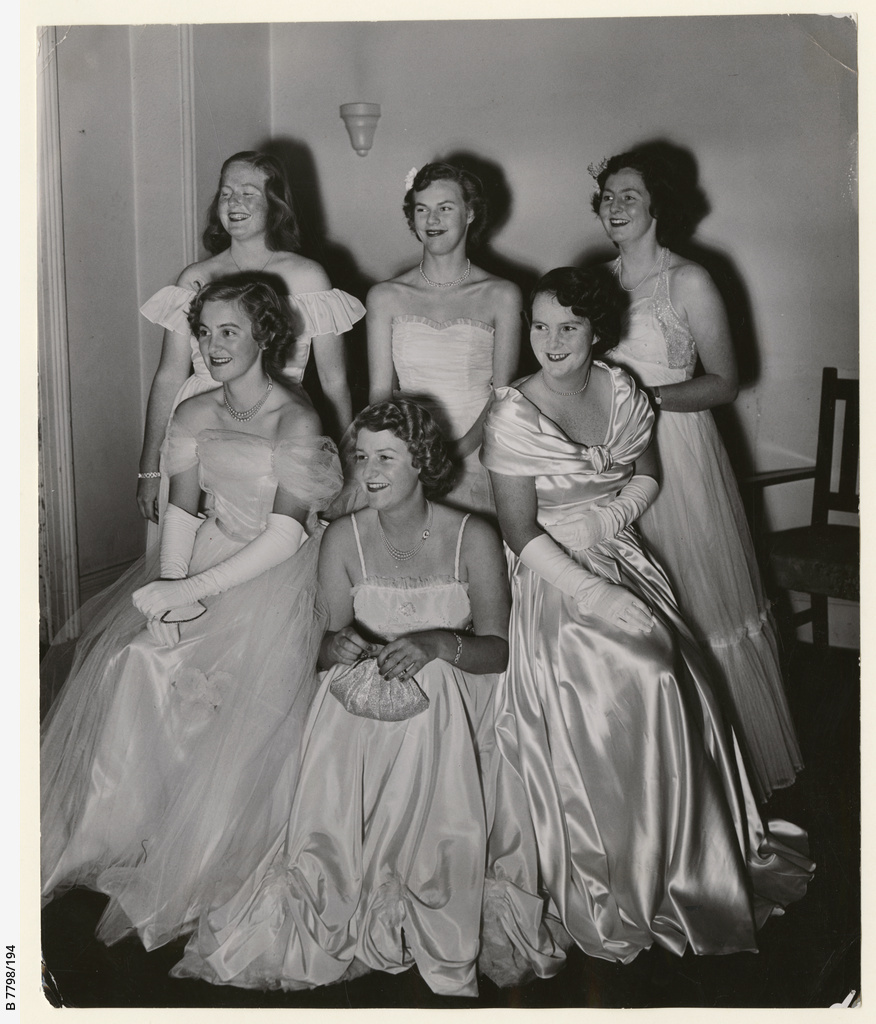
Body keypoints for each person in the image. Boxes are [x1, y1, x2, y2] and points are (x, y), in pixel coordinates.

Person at [478, 268, 813, 986]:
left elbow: (648, 473)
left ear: (596, 330)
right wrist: (592, 593)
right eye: (539, 326)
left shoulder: (624, 388)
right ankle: (616, 875)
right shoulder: (512, 414)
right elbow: (515, 531)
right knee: (643, 672)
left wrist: (607, 520)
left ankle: (683, 859)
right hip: (549, 575)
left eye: (567, 327)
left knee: (676, 666)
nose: (550, 341)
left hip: (621, 550)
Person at [41, 277, 343, 952]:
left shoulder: (295, 417)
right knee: (136, 662)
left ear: (266, 335)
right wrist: (172, 586)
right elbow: (181, 508)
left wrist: (188, 590)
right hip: (204, 559)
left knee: (233, 700)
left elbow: (287, 536)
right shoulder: (197, 410)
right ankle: (116, 831)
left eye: (228, 331)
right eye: (203, 332)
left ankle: (201, 853)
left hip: (273, 574)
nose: (211, 346)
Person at [171, 399, 510, 997]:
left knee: (429, 687)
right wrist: (336, 644)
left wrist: (436, 643)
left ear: (423, 461)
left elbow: (498, 652)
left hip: (451, 723)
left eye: (387, 457)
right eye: (362, 456)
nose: (370, 471)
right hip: (356, 728)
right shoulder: (341, 538)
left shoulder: (473, 536)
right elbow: (320, 647)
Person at [590, 146, 802, 802]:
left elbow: (725, 382)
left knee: (696, 602)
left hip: (678, 453)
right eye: (607, 195)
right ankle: (649, 774)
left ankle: (721, 775)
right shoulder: (594, 282)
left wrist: (644, 402)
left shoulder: (691, 281)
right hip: (609, 458)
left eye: (629, 194)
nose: (615, 206)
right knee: (626, 607)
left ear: (658, 205)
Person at [137, 149, 363, 532]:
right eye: (226, 193)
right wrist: (148, 468)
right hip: (197, 434)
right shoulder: (195, 277)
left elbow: (334, 381)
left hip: (277, 430)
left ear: (275, 204)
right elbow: (167, 376)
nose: (234, 203)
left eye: (248, 193)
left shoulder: (308, 278)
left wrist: (342, 460)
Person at [365, 162, 522, 515]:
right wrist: (408, 454)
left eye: (444, 208)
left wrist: (457, 453)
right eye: (422, 209)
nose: (431, 220)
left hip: (479, 452)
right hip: (404, 456)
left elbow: (505, 396)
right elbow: (379, 396)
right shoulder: (385, 296)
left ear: (469, 214)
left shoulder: (502, 295)